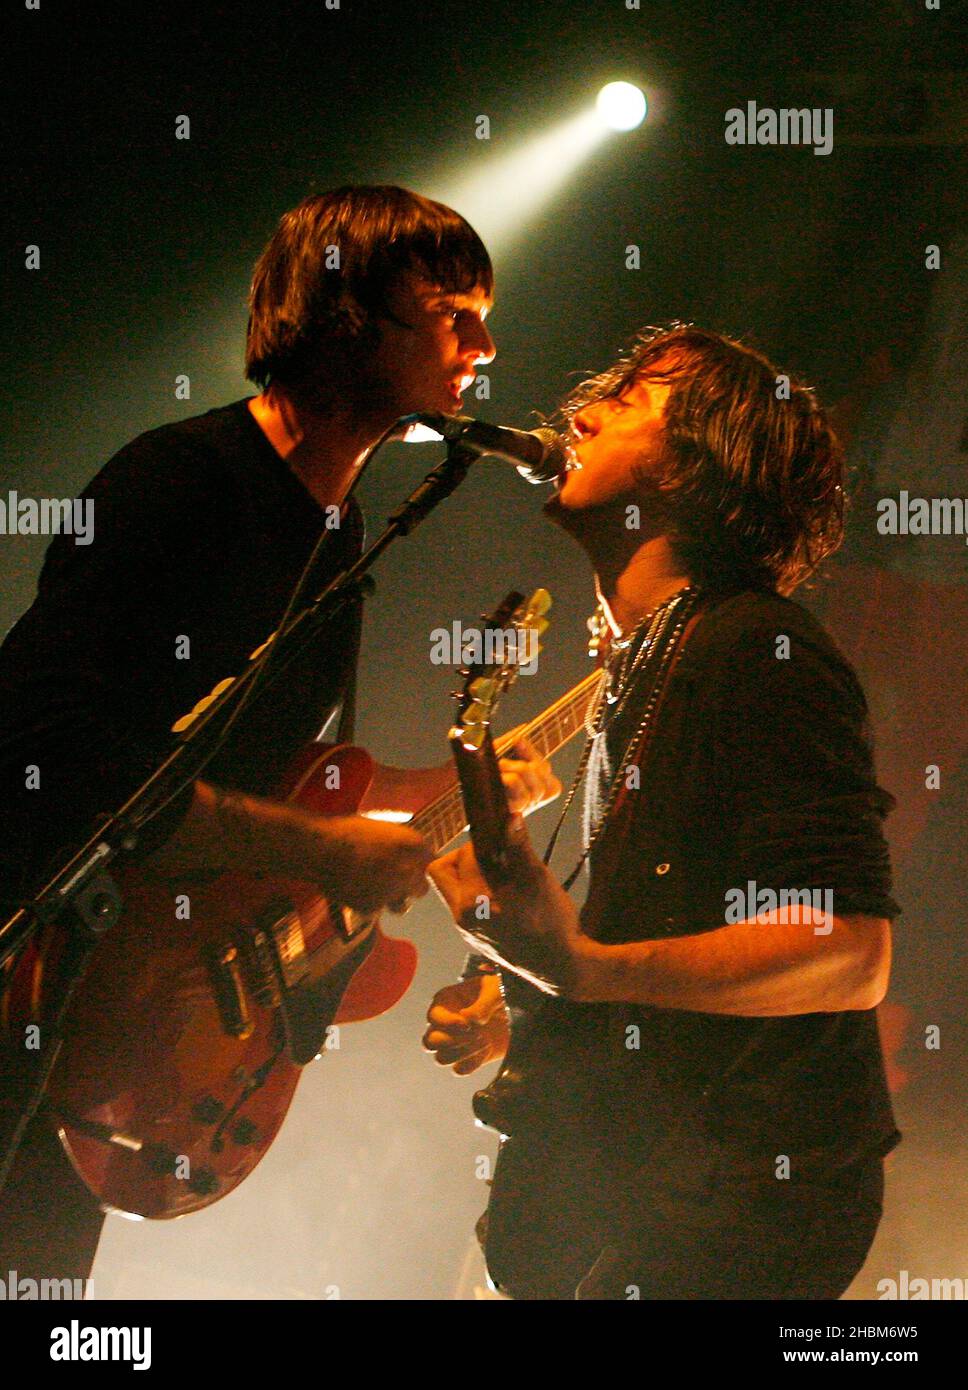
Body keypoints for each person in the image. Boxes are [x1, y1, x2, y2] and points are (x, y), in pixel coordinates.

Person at [0, 184, 557, 1284]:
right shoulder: (181, 480)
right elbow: (41, 743)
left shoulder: (342, 535)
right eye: (453, 312)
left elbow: (284, 788)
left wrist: (412, 838)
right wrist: (314, 850)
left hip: (110, 1015)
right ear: (349, 313)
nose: (483, 348)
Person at [426, 323, 901, 1300]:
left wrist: (583, 968)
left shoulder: (755, 647)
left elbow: (849, 950)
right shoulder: (644, 668)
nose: (582, 409)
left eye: (632, 395)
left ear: (700, 467)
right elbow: (670, 945)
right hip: (647, 1204)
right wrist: (522, 998)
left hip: (727, 1218)